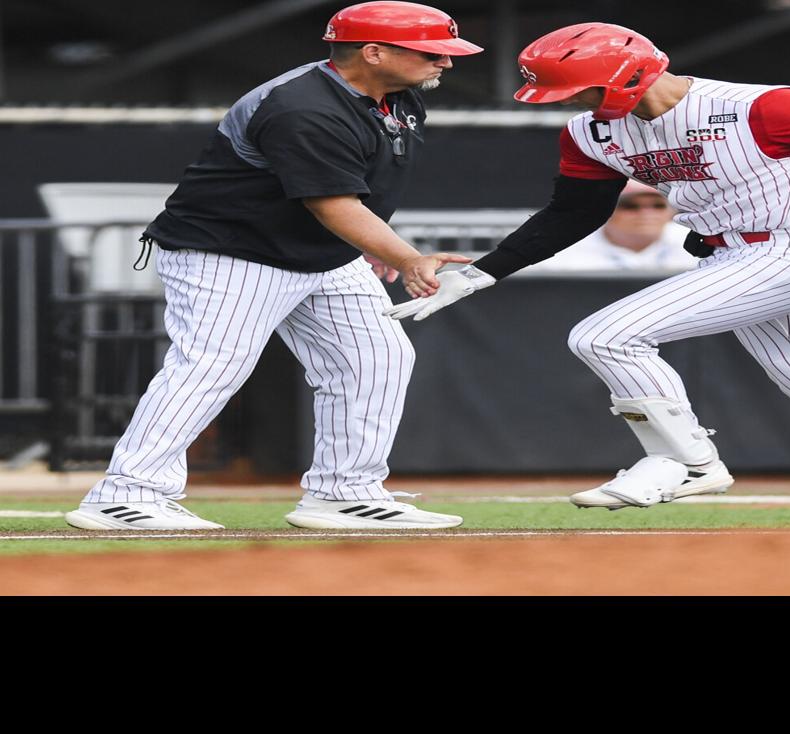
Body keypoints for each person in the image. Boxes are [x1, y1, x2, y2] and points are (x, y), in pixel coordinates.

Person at [386, 22, 790, 528]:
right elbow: (572, 213)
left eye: (579, 88)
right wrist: (487, 273)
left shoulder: (764, 107)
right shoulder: (591, 132)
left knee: (605, 336)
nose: (571, 104)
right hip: (734, 255)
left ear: (629, 74)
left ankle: (688, 461)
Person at [64, 1, 482, 531]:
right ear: (373, 53)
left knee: (377, 359)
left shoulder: (396, 98)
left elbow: (362, 186)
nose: (445, 62)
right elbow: (331, 203)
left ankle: (344, 493)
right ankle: (126, 496)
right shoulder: (301, 106)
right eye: (431, 52)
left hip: (320, 255)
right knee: (212, 366)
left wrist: (371, 242)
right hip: (230, 250)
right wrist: (404, 255)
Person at [528, 180, 694, 272]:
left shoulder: (699, 243)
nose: (646, 213)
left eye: (657, 206)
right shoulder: (564, 249)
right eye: (630, 206)